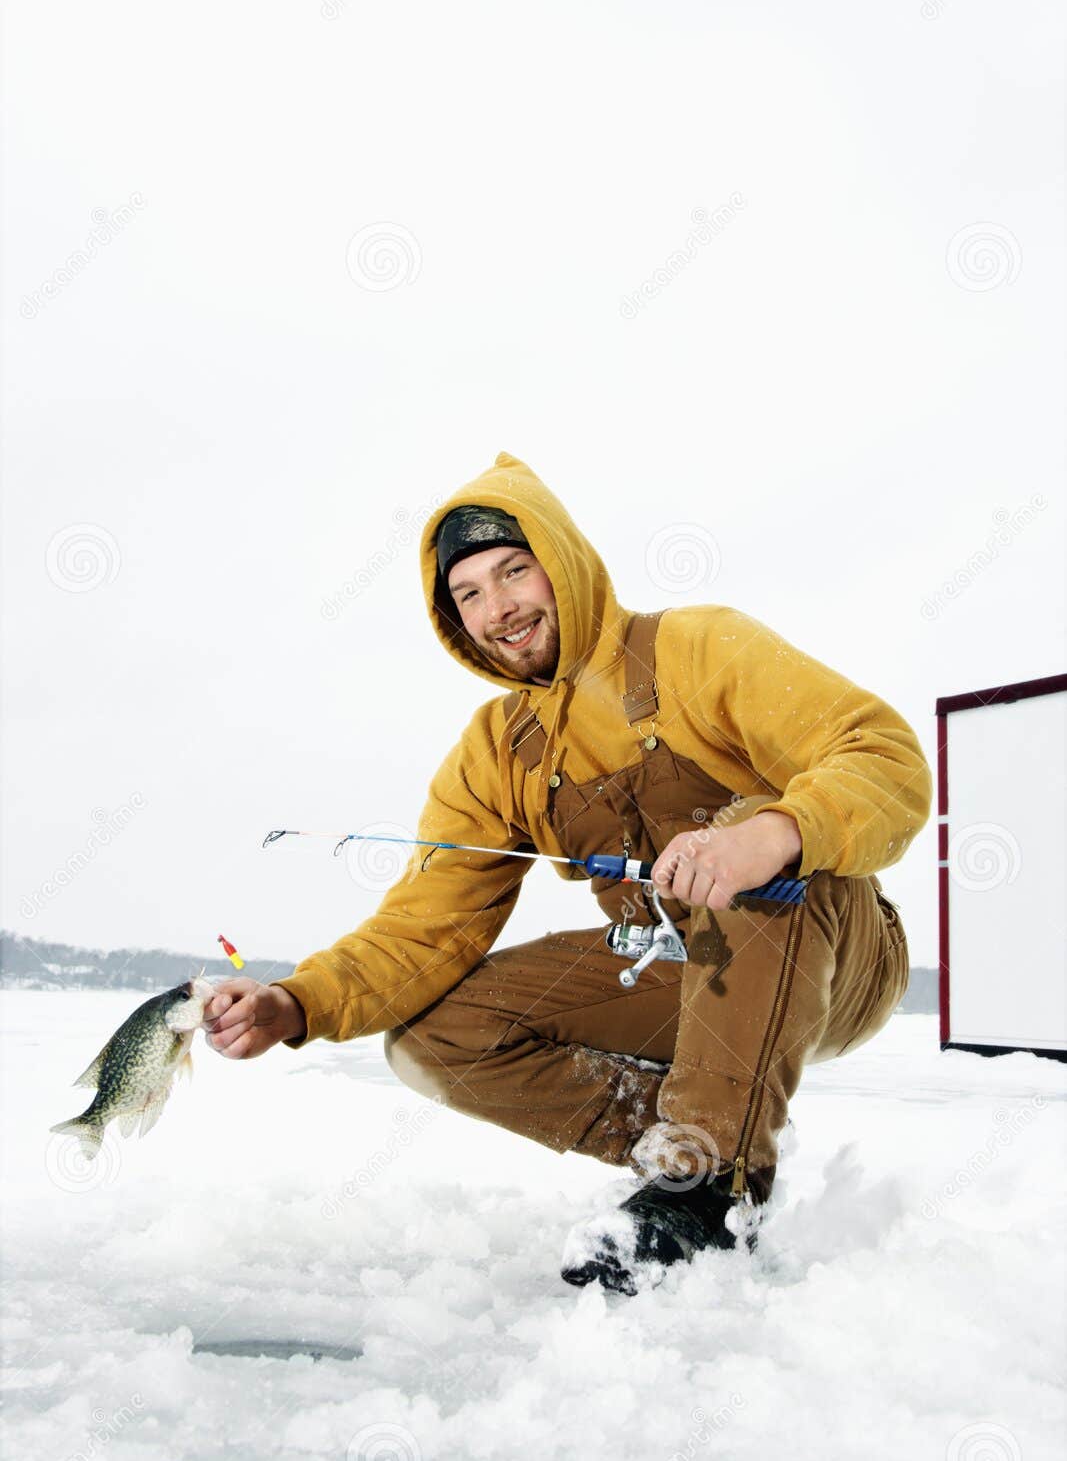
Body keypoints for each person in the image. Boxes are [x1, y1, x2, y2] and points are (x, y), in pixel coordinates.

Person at [205, 453, 930, 1294]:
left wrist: (770, 834)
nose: (498, 607)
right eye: (467, 593)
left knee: (738, 839)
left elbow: (881, 756)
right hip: (684, 977)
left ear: (565, 565)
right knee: (434, 1039)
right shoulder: (493, 752)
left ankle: (711, 1184)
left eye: (514, 571)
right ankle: (682, 1150)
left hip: (835, 959)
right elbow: (423, 927)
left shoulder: (698, 648)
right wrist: (297, 1001)